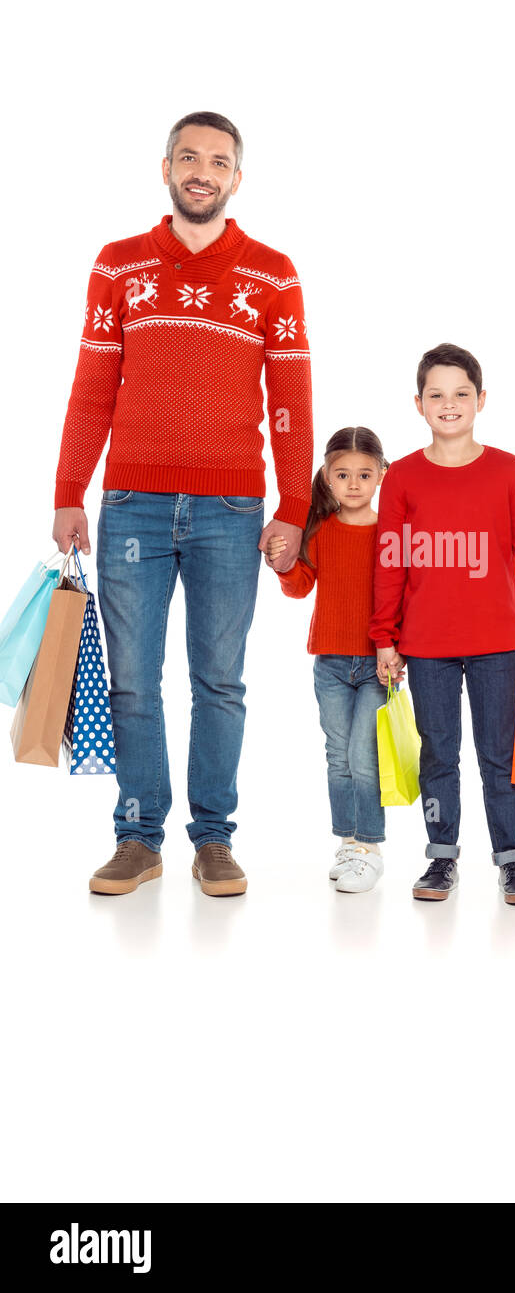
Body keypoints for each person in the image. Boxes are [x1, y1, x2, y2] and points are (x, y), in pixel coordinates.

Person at [52, 111, 313, 897]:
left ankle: (214, 838)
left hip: (231, 509)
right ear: (165, 167)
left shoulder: (273, 274)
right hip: (130, 502)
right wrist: (69, 490)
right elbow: (93, 387)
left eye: (219, 161)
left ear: (238, 178)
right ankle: (138, 836)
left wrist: (295, 506)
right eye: (189, 158)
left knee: (219, 681)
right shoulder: (119, 266)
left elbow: (290, 402)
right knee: (132, 681)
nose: (203, 171)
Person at [371, 343, 515, 905]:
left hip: (496, 641)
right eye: (436, 395)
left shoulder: (506, 469)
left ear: (480, 400)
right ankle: (441, 857)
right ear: (418, 404)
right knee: (438, 755)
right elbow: (391, 561)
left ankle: (513, 862)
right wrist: (385, 636)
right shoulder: (401, 476)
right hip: (426, 646)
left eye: (460, 394)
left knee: (501, 757)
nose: (448, 404)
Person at [268, 428, 391, 893]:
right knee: (338, 756)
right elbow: (301, 585)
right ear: (327, 476)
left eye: (364, 474)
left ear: (381, 474)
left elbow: (405, 595)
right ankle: (348, 841)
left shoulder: (391, 533)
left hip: (379, 664)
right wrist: (283, 564)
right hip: (331, 663)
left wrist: (399, 650)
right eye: (343, 475)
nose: (354, 484)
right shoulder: (320, 530)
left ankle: (371, 847)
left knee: (364, 755)